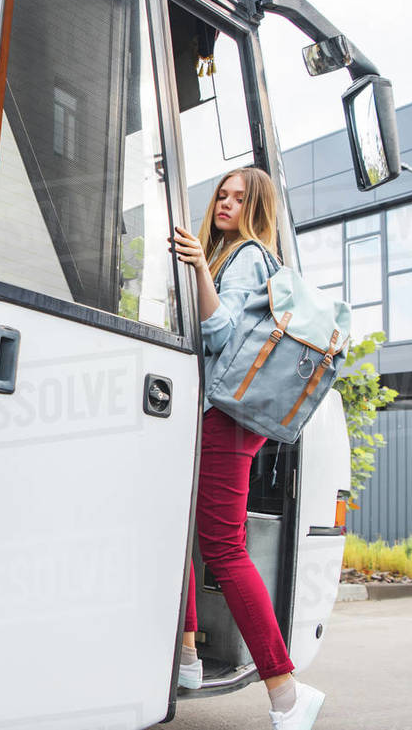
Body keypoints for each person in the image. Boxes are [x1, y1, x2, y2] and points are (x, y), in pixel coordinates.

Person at [170, 167, 326, 730]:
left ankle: (287, 693)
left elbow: (219, 333)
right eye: (222, 194)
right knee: (177, 527)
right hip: (226, 418)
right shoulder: (240, 258)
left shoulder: (245, 257)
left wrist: (198, 270)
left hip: (225, 419)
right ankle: (187, 655)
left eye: (239, 198)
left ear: (256, 208)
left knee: (224, 549)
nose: (226, 204)